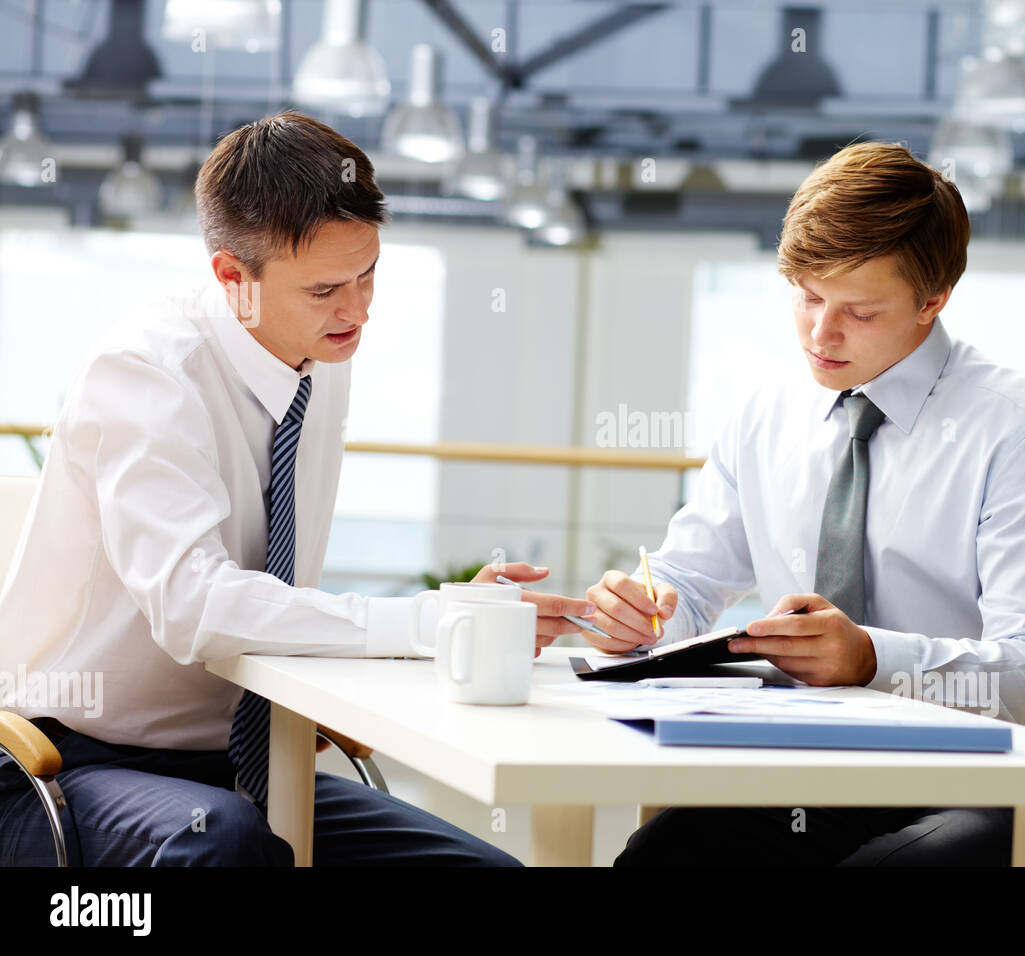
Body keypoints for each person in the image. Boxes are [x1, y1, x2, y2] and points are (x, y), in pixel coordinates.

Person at [0, 110, 595, 866]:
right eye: (324, 289)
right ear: (231, 278)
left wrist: (462, 616)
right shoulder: (146, 374)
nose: (357, 310)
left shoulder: (322, 358)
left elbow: (272, 592)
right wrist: (422, 625)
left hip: (247, 763)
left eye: (369, 271)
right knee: (228, 849)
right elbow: (197, 610)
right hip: (67, 763)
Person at [582, 141, 1025, 867]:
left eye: (859, 312)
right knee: (659, 861)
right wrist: (645, 608)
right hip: (823, 773)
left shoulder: (1019, 434)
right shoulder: (766, 411)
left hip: (1006, 783)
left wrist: (872, 657)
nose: (819, 333)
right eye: (805, 294)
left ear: (933, 301)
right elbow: (693, 578)